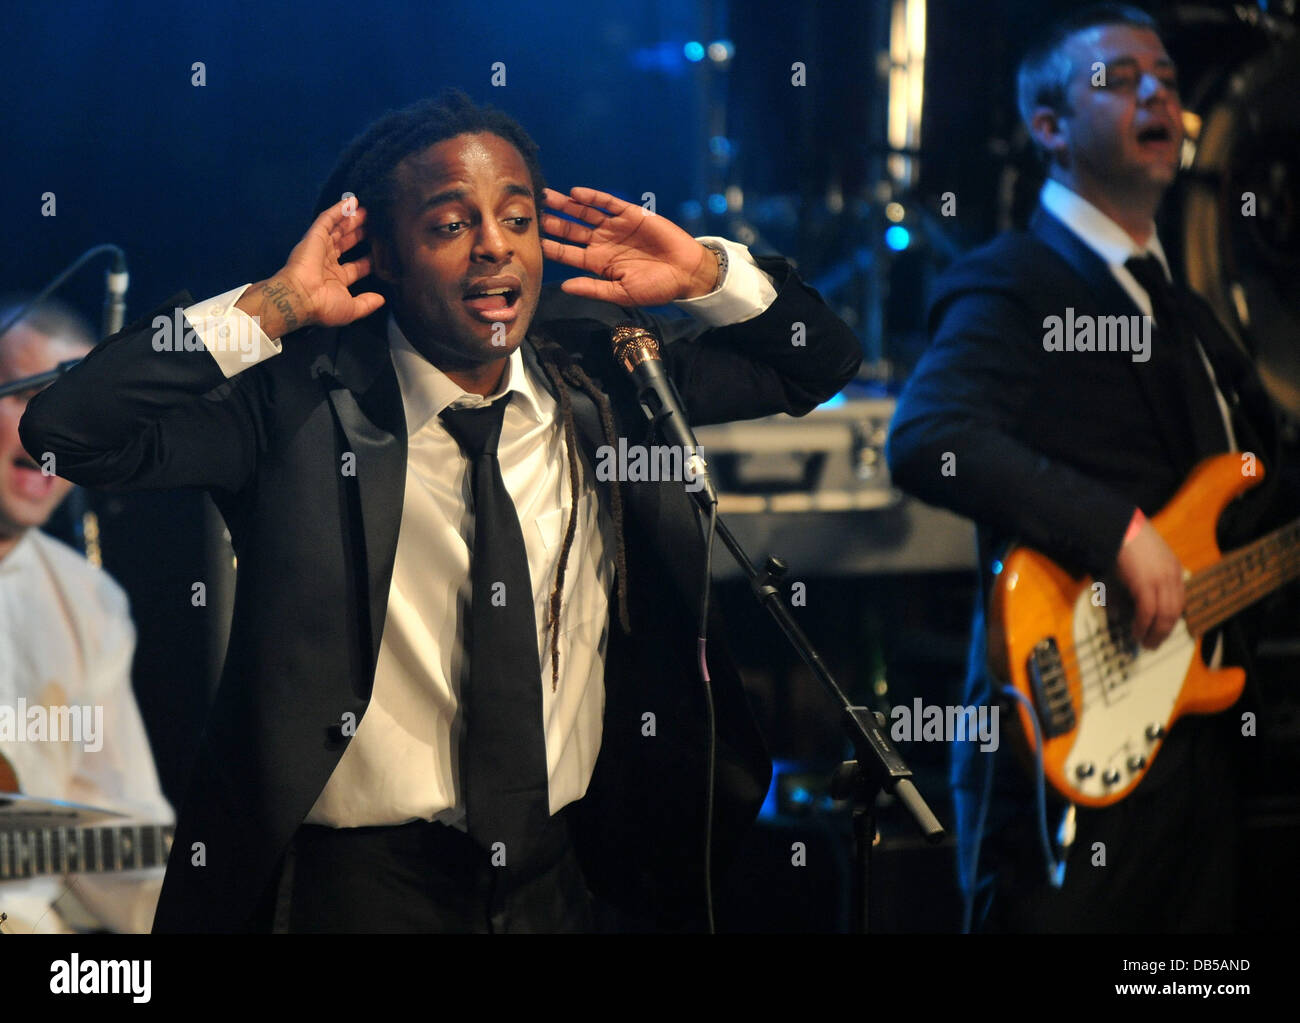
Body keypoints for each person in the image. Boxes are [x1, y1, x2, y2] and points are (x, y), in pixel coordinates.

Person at [21, 90, 862, 933]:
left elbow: (815, 363)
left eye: (518, 218)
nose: (495, 245)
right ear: (380, 253)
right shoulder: (296, 408)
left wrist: (708, 275)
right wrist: (272, 307)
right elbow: (67, 430)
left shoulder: (605, 380)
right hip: (354, 891)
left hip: (560, 877)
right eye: (451, 225)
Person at [886, 4, 1287, 932]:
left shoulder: (1191, 315)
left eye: (1168, 77)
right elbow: (929, 434)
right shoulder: (1015, 279)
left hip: (1196, 743)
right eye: (1119, 76)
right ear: (1049, 127)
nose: (1157, 90)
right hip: (1064, 740)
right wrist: (1117, 532)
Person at [0, 300, 174, 934]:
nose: (53, 435)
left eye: (76, 411)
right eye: (29, 399)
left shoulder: (90, 603)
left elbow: (122, 836)